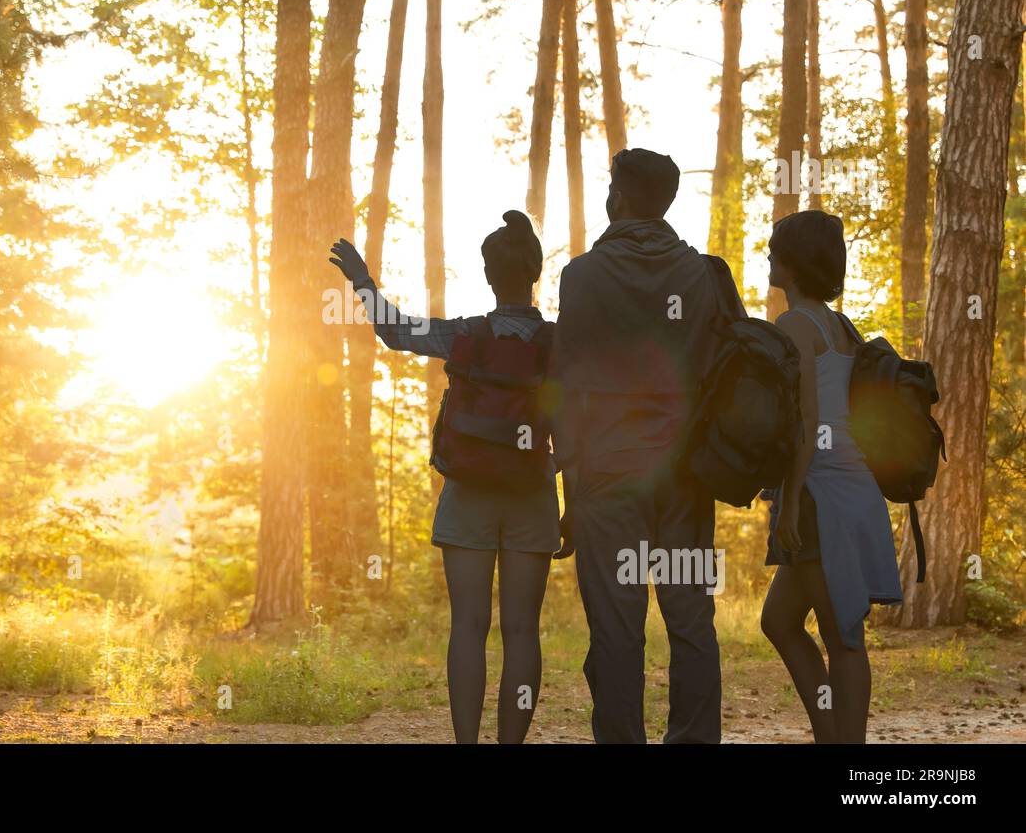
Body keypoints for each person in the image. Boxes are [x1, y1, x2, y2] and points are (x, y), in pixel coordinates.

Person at [328, 211, 559, 744]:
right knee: (523, 631)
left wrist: (363, 281)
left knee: (468, 628)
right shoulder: (557, 342)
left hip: (468, 491)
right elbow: (576, 422)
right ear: (535, 272)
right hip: (532, 493)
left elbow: (394, 331)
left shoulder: (465, 336)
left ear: (487, 275)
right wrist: (562, 485)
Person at [550, 147, 745, 744]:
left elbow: (563, 388)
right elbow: (735, 370)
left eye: (611, 186)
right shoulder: (708, 275)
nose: (607, 195)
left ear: (623, 198)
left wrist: (567, 490)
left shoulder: (581, 277)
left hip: (607, 479)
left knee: (616, 628)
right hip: (686, 477)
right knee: (691, 622)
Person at [760, 209, 902, 744]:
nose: (768, 256)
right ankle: (832, 735)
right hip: (851, 488)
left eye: (775, 249)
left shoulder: (796, 324)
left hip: (822, 492)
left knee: (843, 635)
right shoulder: (842, 325)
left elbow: (807, 420)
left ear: (794, 264)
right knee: (780, 621)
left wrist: (791, 501)